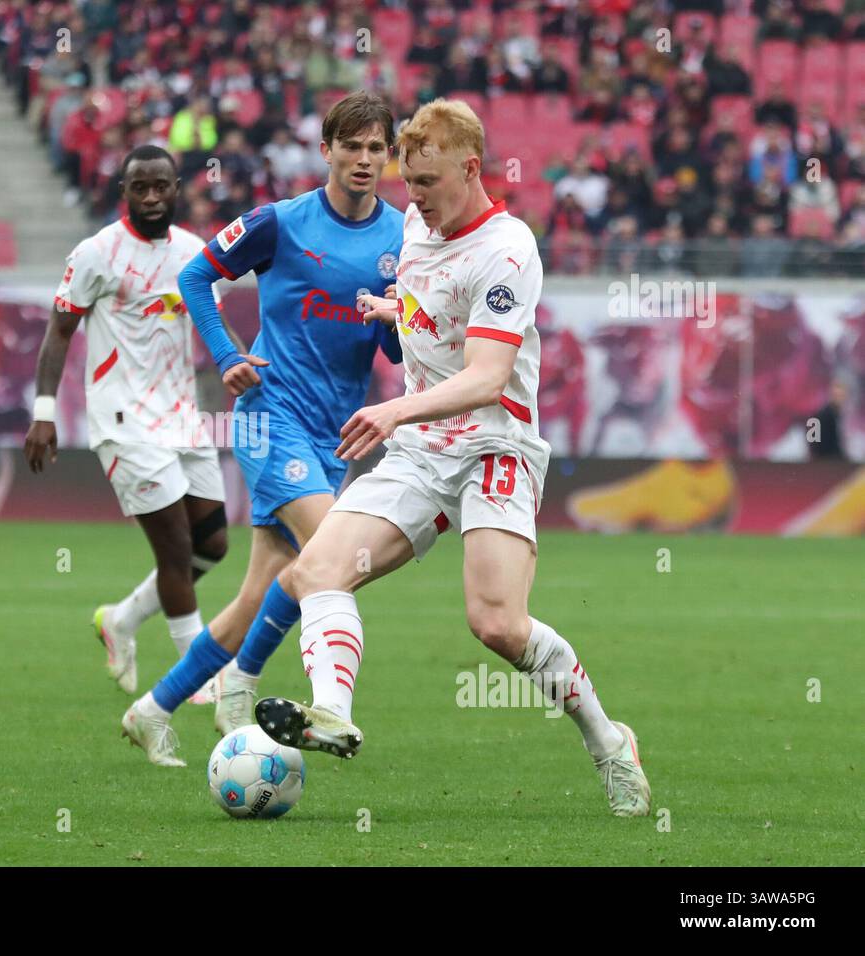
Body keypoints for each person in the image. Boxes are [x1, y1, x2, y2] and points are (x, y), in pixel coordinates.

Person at [253, 99, 651, 817]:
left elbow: (486, 377)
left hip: (496, 443)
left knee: (496, 622)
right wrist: (394, 312)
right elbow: (427, 301)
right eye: (410, 184)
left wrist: (393, 407)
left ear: (471, 169)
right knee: (313, 569)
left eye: (429, 183)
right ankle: (332, 712)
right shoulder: (416, 224)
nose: (415, 198)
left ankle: (608, 740)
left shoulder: (507, 249)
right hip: (422, 449)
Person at [120, 91, 405, 766]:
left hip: (334, 438)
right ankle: (269, 692)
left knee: (262, 594)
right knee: (338, 555)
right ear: (327, 150)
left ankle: (153, 707)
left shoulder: (402, 239)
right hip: (268, 419)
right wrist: (227, 357)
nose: (364, 160)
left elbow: (397, 353)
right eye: (352, 146)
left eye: (376, 148)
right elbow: (195, 278)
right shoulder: (279, 222)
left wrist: (395, 322)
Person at [25, 145, 230, 704]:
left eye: (161, 186)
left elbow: (206, 324)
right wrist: (44, 413)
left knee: (212, 546)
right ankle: (197, 677)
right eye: (139, 187)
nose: (151, 197)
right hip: (124, 422)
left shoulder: (193, 254)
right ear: (124, 191)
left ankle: (120, 620)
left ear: (176, 187)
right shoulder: (97, 254)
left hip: (182, 419)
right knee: (175, 550)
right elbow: (59, 330)